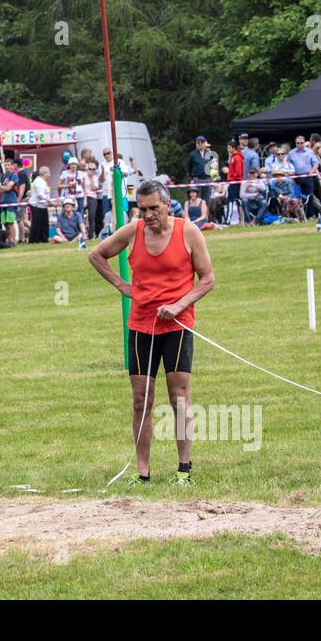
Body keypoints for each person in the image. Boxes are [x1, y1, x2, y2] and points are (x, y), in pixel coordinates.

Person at [87, 180, 216, 487]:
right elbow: (96, 255)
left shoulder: (189, 232)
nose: (147, 215)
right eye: (142, 209)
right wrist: (123, 286)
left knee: (179, 397)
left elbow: (208, 279)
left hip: (177, 326)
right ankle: (142, 472)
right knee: (140, 399)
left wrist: (179, 304)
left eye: (153, 208)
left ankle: (184, 470)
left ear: (167, 205)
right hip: (141, 326)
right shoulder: (133, 232)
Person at [27, 166, 52, 243]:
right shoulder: (40, 182)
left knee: (43, 222)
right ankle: (34, 239)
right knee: (36, 223)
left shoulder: (41, 181)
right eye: (48, 173)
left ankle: (43, 238)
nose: (50, 175)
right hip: (37, 205)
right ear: (44, 173)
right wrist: (50, 202)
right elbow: (40, 195)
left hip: (42, 205)